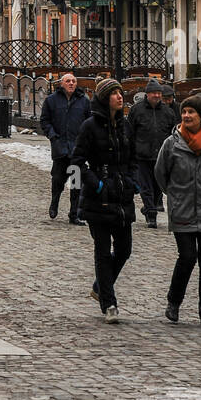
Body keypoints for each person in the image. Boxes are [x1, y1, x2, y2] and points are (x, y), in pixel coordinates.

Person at [155, 93, 201, 329]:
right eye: (184, 112)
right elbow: (160, 174)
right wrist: (175, 196)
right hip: (183, 210)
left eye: (191, 112)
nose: (186, 116)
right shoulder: (171, 144)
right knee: (187, 257)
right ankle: (173, 302)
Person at [70, 78, 137, 323]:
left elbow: (133, 158)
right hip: (97, 198)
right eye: (114, 93)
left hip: (122, 196)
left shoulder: (126, 126)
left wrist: (133, 181)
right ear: (104, 98)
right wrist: (95, 183)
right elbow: (76, 164)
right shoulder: (89, 126)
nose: (120, 97)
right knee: (102, 250)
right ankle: (109, 304)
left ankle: (100, 287)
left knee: (124, 249)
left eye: (121, 93)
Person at [40, 71, 91, 223]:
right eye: (68, 81)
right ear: (61, 84)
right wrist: (52, 135)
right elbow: (45, 120)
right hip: (60, 149)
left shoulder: (83, 101)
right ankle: (54, 202)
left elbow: (89, 121)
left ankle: (74, 214)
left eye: (73, 81)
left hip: (76, 151)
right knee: (58, 180)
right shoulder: (52, 100)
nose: (71, 84)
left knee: (76, 184)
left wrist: (85, 139)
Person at [126, 78, 178, 228]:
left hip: (161, 156)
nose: (156, 96)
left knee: (158, 188)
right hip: (142, 155)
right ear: (147, 94)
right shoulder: (137, 110)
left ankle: (149, 207)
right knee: (145, 186)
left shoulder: (168, 112)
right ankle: (151, 215)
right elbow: (130, 132)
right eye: (154, 93)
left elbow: (173, 134)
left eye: (159, 93)